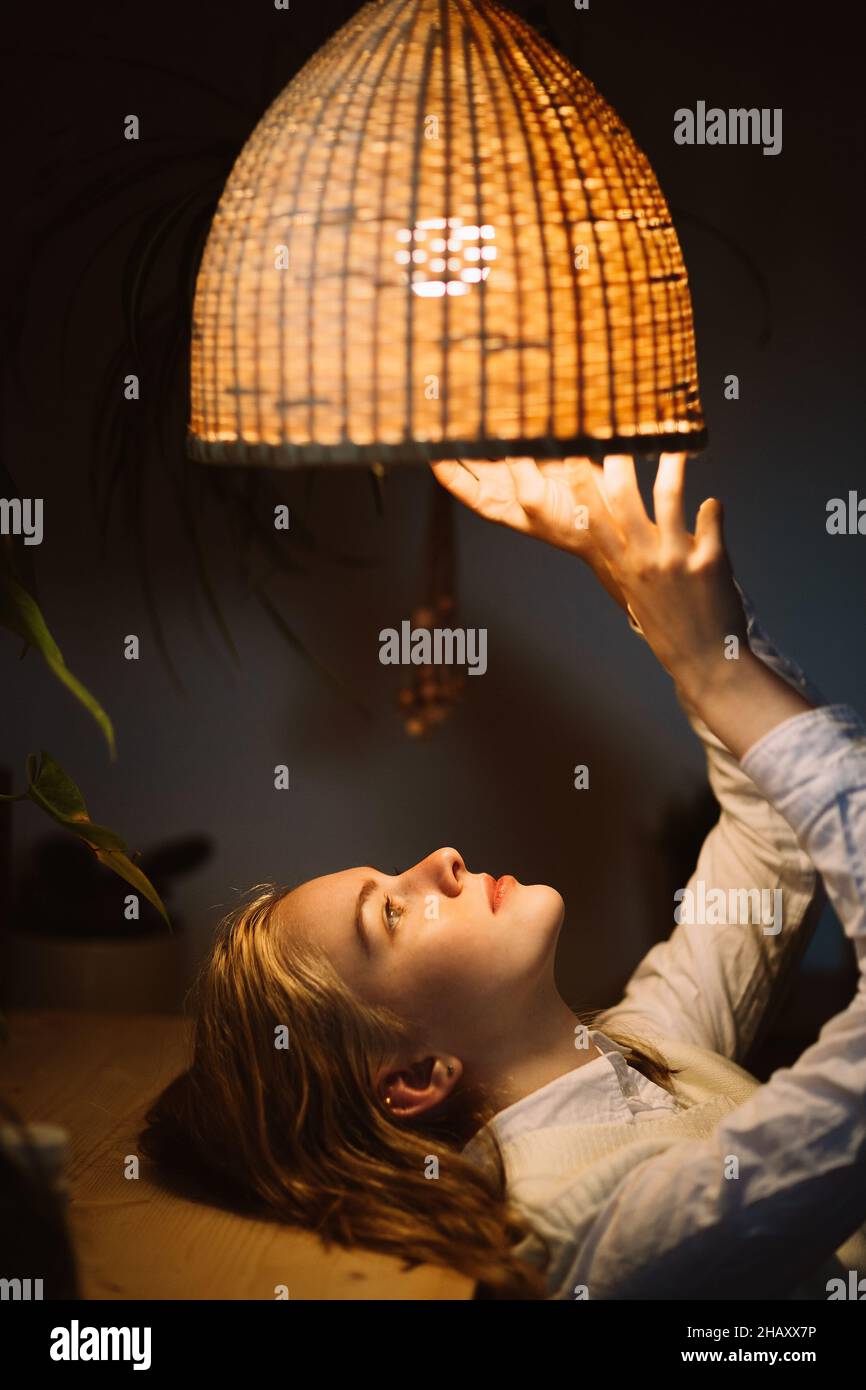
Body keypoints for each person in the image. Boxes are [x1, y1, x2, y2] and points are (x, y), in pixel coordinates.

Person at [141, 453, 866, 1300]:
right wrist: (715, 669)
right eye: (393, 916)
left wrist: (648, 596)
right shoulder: (590, 1226)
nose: (441, 861)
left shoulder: (644, 1047)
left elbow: (770, 827)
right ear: (416, 1076)